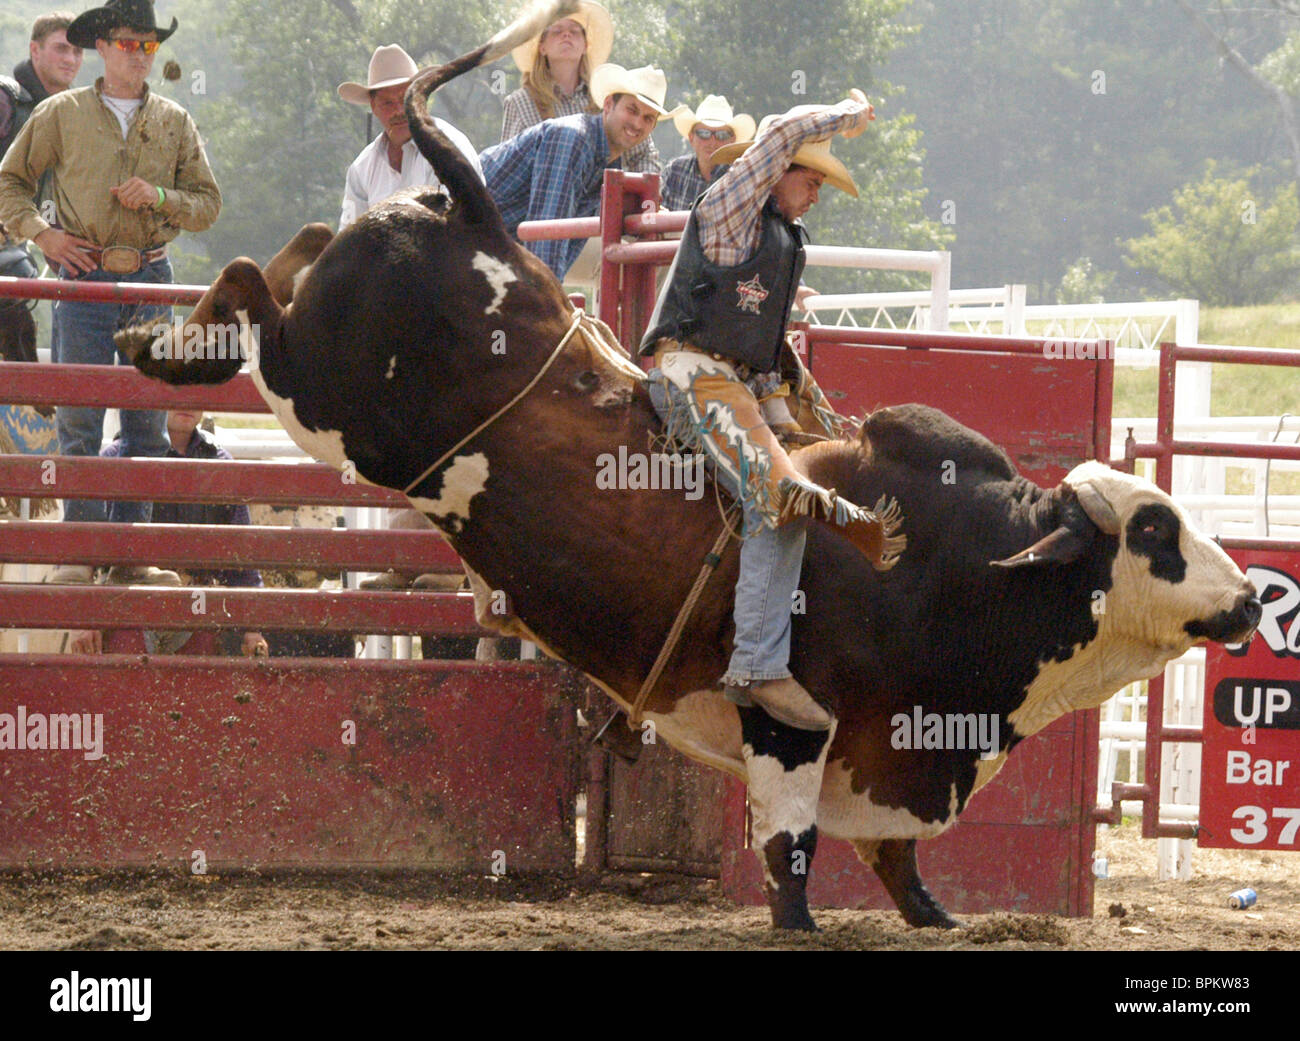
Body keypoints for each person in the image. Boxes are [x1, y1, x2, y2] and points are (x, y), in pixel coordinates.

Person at [640, 90, 905, 732]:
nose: (815, 195)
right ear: (778, 172)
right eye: (810, 180)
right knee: (782, 500)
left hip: (731, 385)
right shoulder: (732, 208)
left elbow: (761, 357)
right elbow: (784, 129)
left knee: (808, 477)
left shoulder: (778, 238)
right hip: (691, 376)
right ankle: (757, 664)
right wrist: (849, 113)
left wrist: (794, 420)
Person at [0, 0, 221, 585]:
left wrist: (162, 198)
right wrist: (44, 233)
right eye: (129, 44)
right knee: (79, 420)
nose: (140, 55)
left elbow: (208, 204)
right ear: (102, 45)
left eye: (148, 46)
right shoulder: (60, 113)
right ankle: (80, 550)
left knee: (145, 422)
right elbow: (9, 180)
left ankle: (131, 555)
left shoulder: (175, 120)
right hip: (83, 280)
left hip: (149, 275)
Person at [67, 409, 269, 655]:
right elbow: (89, 547)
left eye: (195, 389)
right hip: (127, 609)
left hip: (197, 611)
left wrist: (252, 628)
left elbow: (241, 558)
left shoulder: (221, 464)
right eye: (175, 387)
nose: (186, 402)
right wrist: (87, 617)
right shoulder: (114, 457)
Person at [481, 62, 674, 281]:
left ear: (653, 127)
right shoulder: (572, 138)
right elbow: (547, 236)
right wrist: (550, 305)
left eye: (648, 118)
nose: (637, 123)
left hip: (485, 248)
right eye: (632, 110)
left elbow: (565, 241)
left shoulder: (608, 166)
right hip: (459, 231)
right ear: (609, 104)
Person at [500, 1, 658, 176]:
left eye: (575, 31)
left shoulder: (606, 96)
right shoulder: (520, 102)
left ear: (585, 46)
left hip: (603, 200)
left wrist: (640, 194)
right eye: (557, 31)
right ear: (542, 47)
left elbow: (644, 154)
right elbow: (508, 167)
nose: (566, 35)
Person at [337, 44, 483, 230]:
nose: (398, 110)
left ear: (421, 97)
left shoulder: (450, 147)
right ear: (374, 106)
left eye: (405, 98)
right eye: (388, 103)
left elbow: (454, 226)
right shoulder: (361, 169)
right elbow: (349, 239)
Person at [0, 13, 83, 287]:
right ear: (35, 50)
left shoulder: (74, 118)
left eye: (77, 51)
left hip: (17, 252)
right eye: (61, 48)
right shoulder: (5, 102)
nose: (70, 60)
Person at [660, 94, 753, 212]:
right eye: (704, 133)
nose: (712, 142)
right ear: (691, 137)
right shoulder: (674, 170)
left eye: (721, 135)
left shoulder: (740, 178)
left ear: (732, 140)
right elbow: (653, 210)